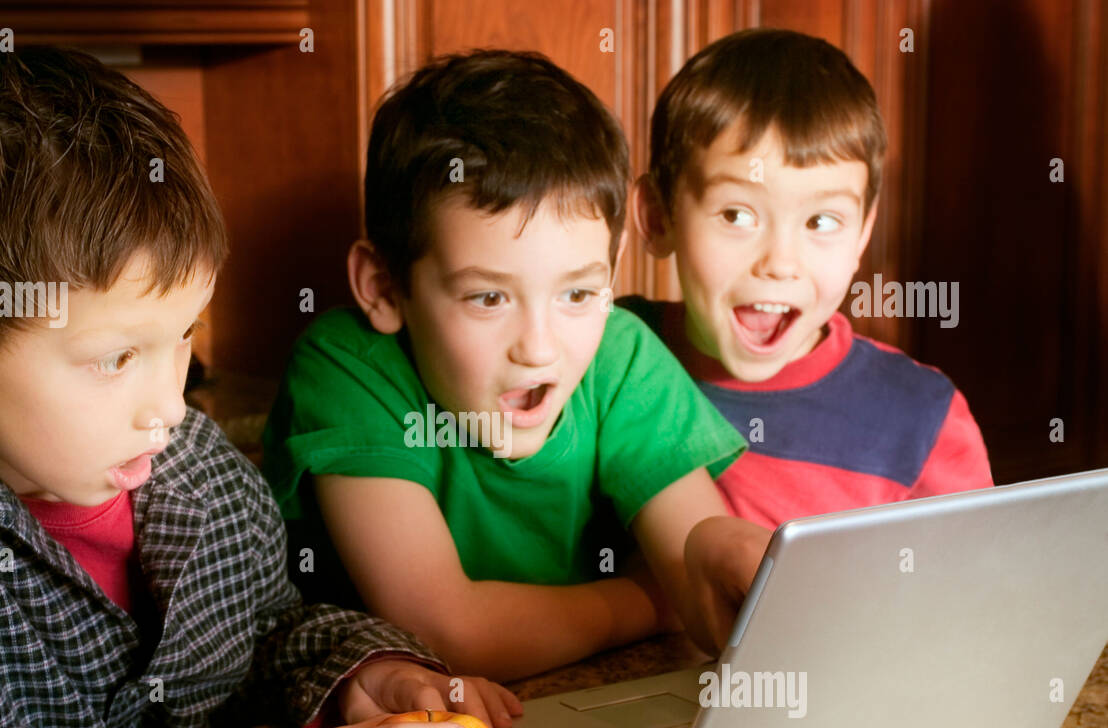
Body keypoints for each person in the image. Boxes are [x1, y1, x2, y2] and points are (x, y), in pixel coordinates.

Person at [0, 44, 519, 728]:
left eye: (182, 337)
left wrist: (355, 670)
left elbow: (260, 632)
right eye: (114, 357)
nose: (167, 406)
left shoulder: (190, 462)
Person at [262, 50, 770, 680]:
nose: (539, 347)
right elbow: (447, 631)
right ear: (386, 289)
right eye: (488, 298)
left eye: (578, 295)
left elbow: (699, 576)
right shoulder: (346, 369)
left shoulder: (620, 353)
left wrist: (713, 556)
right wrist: (645, 600)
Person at [621, 28, 992, 529]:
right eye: (737, 215)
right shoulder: (603, 355)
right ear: (658, 218)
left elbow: (976, 592)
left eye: (821, 222)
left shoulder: (922, 418)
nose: (780, 262)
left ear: (862, 233)